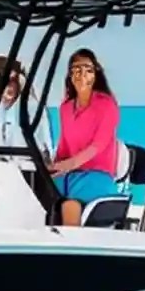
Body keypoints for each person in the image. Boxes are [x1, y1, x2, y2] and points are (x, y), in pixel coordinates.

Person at [48, 48, 120, 225]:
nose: (82, 75)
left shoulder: (107, 105)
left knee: (70, 205)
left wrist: (69, 165)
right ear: (70, 75)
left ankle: (70, 241)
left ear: (95, 74)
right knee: (34, 187)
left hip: (97, 176)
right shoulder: (65, 108)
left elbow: (99, 144)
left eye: (88, 69)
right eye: (76, 69)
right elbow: (64, 145)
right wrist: (51, 167)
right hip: (70, 175)